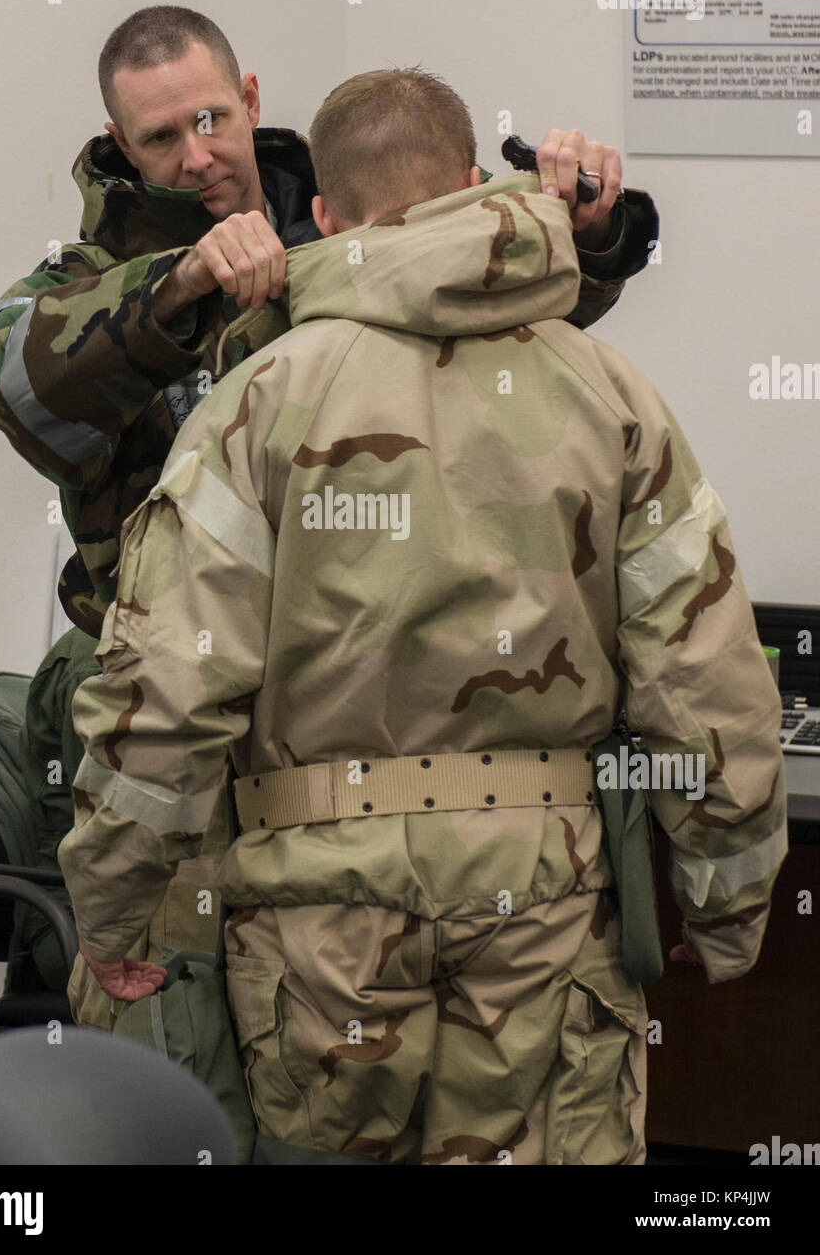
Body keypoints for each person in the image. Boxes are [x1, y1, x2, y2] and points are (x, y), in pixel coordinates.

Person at [57, 66, 786, 1164]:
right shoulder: (610, 392)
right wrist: (727, 902)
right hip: (544, 902)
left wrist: (111, 907)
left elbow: (168, 683)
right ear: (463, 186)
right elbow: (708, 675)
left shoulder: (255, 404)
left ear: (323, 217)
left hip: (323, 928)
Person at [0, 5, 658, 1027]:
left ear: (248, 101)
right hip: (182, 736)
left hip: (364, 740)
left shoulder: (350, 217)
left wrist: (593, 229)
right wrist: (181, 286)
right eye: (160, 138)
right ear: (121, 145)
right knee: (186, 1054)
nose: (196, 156)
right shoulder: (96, 282)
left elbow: (490, 302)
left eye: (209, 119)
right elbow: (11, 378)